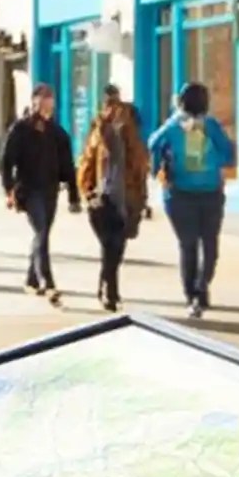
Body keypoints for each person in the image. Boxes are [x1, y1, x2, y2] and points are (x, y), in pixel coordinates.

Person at [149, 82, 236, 319]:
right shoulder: (195, 126)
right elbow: (228, 154)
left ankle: (196, 291)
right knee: (202, 246)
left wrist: (158, 168)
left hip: (193, 195)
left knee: (196, 246)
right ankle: (197, 291)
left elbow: (153, 143)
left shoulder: (195, 126)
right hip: (195, 194)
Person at [0, 84, 82, 307]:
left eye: (50, 99)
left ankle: (32, 279)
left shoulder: (58, 133)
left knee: (42, 234)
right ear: (34, 102)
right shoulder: (21, 129)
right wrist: (8, 190)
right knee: (41, 231)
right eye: (43, 99)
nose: (47, 104)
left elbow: (68, 166)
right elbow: (7, 162)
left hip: (50, 191)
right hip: (28, 190)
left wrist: (74, 196)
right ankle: (48, 281)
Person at [77, 85, 150, 312]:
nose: (112, 108)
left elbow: (140, 167)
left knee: (116, 247)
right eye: (108, 103)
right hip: (102, 198)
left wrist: (142, 199)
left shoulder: (131, 131)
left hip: (126, 199)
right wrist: (87, 191)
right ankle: (110, 290)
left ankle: (107, 286)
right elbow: (86, 163)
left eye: (115, 103)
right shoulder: (98, 131)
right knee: (110, 244)